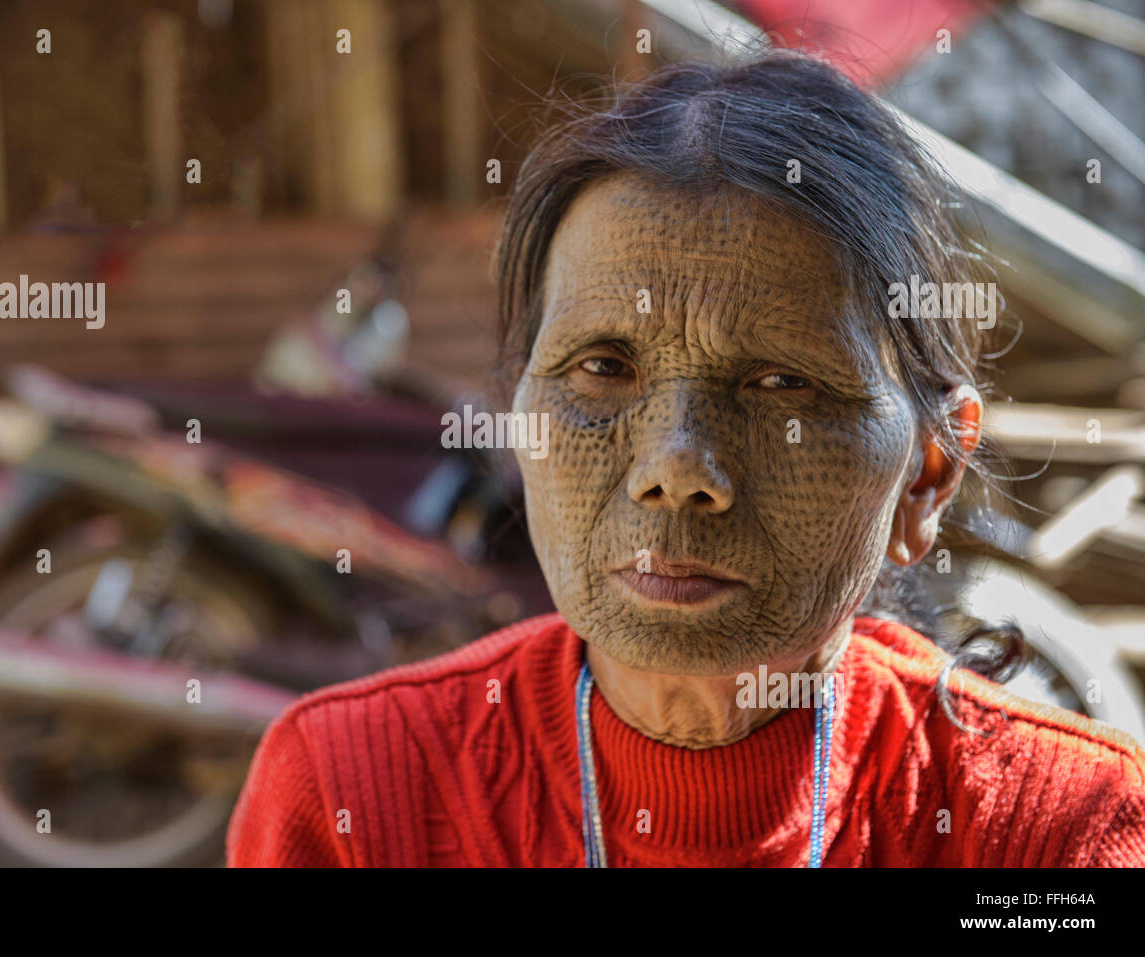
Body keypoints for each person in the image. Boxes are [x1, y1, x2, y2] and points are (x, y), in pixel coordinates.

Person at [226, 52, 1145, 867]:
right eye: (601, 368)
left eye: (781, 385)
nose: (676, 468)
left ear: (927, 475)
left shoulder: (1059, 832)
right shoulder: (354, 798)